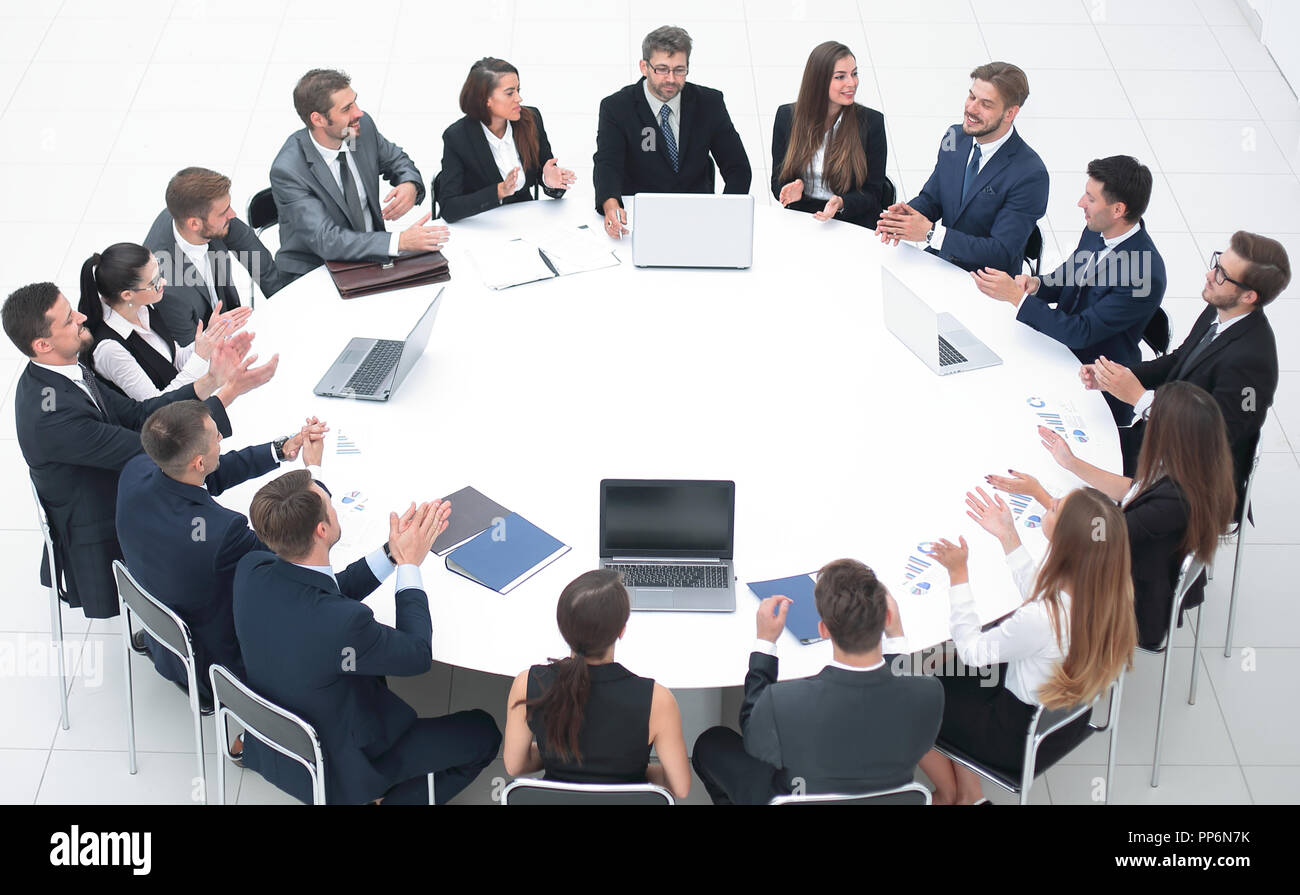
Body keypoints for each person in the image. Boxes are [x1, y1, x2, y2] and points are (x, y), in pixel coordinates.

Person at [5, 282, 276, 619]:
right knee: (228, 549)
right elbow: (152, 448)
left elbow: (139, 416)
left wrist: (210, 381)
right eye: (68, 319)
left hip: (116, 482)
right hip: (106, 523)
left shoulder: (66, 371)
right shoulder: (52, 417)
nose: (82, 316)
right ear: (42, 344)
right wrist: (229, 393)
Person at [233, 471, 501, 804]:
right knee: (484, 732)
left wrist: (392, 553)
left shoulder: (252, 569)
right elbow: (418, 654)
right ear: (322, 529)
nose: (334, 508)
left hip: (273, 742)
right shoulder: (344, 623)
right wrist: (409, 566)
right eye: (330, 505)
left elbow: (323, 593)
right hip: (342, 768)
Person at [918, 487, 1136, 805]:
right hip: (1066, 720)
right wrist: (1009, 536)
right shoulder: (1110, 595)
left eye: (1055, 507)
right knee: (952, 668)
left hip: (1014, 736)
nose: (1050, 501)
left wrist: (958, 576)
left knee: (917, 688)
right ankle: (970, 793)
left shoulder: (1042, 618)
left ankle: (954, 794)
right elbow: (1046, 600)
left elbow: (973, 652)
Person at [986, 382, 1236, 649]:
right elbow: (1134, 489)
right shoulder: (1197, 469)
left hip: (1131, 608)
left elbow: (1097, 539)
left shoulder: (1172, 502)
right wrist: (1071, 462)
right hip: (1138, 570)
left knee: (1020, 587)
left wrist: (1041, 495)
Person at [116, 400, 328, 697]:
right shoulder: (223, 533)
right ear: (199, 462)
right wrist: (313, 473)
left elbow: (208, 474)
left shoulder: (135, 472)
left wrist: (280, 449)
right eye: (217, 436)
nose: (221, 439)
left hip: (164, 637)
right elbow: (291, 548)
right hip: (215, 665)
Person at [692, 559, 943, 805]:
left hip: (791, 795)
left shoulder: (784, 702)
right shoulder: (929, 693)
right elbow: (905, 686)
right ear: (887, 617)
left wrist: (765, 644)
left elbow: (754, 737)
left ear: (823, 630)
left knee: (710, 743)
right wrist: (896, 635)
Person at [1083, 230, 1287, 518]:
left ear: (1249, 296)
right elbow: (1180, 360)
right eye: (1216, 263)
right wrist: (1117, 376)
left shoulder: (1252, 362)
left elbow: (1213, 441)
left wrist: (1139, 398)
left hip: (1187, 478)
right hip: (1158, 440)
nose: (1209, 274)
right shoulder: (1219, 308)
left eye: (1222, 274)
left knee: (1080, 502)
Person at [971, 156, 1166, 422]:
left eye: (1091, 198)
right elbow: (1071, 273)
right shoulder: (1097, 229)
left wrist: (1018, 299)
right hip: (1054, 349)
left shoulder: (1143, 274)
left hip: (1092, 382)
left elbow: (1081, 332)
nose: (1080, 203)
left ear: (1118, 210)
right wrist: (1038, 285)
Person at [502, 570, 690, 799]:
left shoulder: (528, 684)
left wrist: (558, 749)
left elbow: (515, 765)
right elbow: (679, 787)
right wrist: (637, 770)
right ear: (621, 631)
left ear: (563, 629)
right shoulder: (657, 700)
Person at [269, 68, 448, 280]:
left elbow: (398, 161)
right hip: (318, 269)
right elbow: (326, 240)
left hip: (372, 257)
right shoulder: (289, 171)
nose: (358, 113)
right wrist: (399, 242)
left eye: (354, 102)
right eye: (346, 109)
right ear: (318, 119)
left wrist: (410, 185)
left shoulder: (352, 132)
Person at [877, 62, 1048, 275]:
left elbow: (1002, 252)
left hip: (986, 279)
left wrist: (931, 234)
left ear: (1009, 113)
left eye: (985, 104)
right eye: (971, 96)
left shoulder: (1030, 175)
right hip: (942, 260)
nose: (971, 108)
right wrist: (906, 217)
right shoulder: (954, 136)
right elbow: (933, 198)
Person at [594, 25, 752, 238]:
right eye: (662, 69)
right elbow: (607, 164)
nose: (670, 79)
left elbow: (738, 167)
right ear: (644, 67)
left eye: (679, 70)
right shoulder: (617, 107)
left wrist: (725, 213)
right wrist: (610, 204)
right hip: (641, 214)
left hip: (698, 214)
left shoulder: (709, 103)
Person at [78, 242, 251, 401]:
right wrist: (201, 356)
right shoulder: (109, 349)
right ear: (127, 295)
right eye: (154, 282)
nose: (164, 282)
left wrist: (211, 334)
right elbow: (157, 405)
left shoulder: (143, 307)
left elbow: (173, 361)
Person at [144, 166, 285, 345]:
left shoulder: (202, 218)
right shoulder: (167, 286)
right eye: (223, 213)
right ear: (194, 224)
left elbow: (260, 264)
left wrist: (284, 305)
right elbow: (192, 351)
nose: (232, 214)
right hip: (206, 346)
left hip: (229, 314)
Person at [435, 58, 577, 224]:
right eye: (510, 93)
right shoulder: (457, 137)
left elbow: (544, 173)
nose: (519, 98)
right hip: (483, 224)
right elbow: (449, 208)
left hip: (525, 221)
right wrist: (499, 191)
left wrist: (550, 181)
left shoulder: (531, 119)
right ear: (485, 99)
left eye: (518, 90)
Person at [771, 41, 887, 228]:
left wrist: (841, 203)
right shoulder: (787, 117)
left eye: (854, 74)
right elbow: (777, 180)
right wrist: (790, 191)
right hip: (804, 215)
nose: (852, 83)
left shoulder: (871, 122)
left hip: (853, 219)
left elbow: (874, 193)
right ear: (818, 81)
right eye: (840, 77)